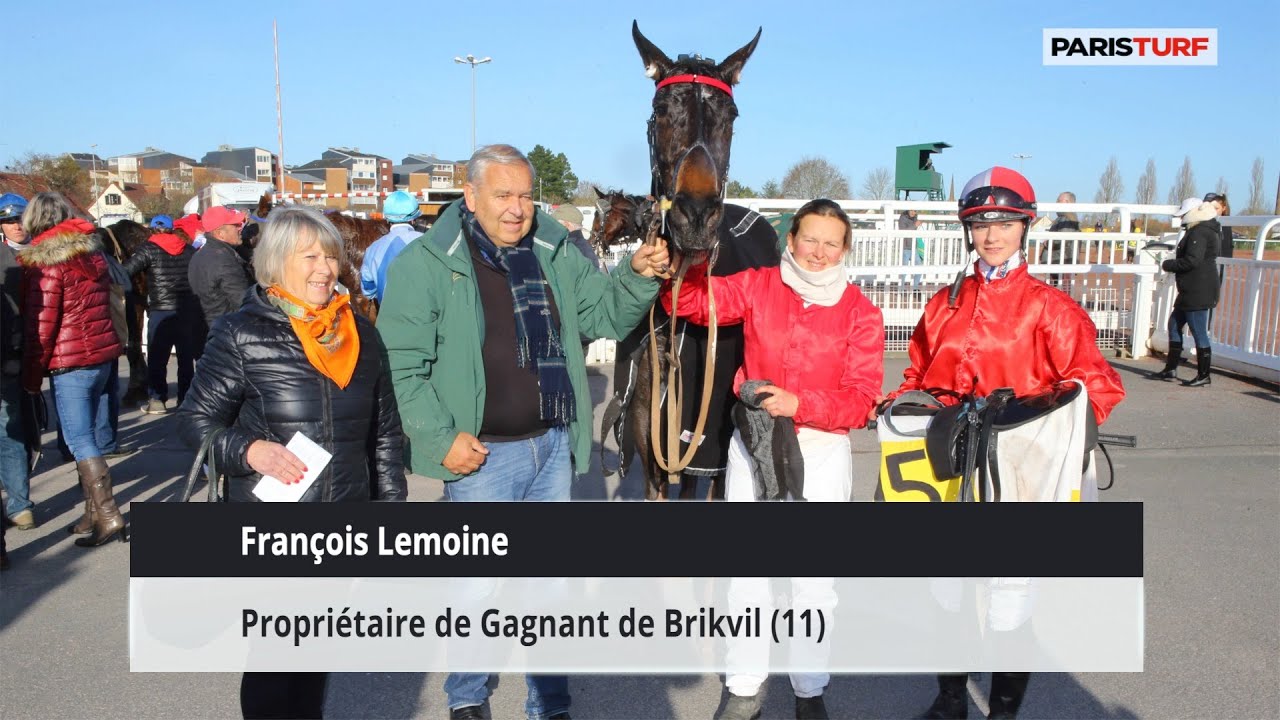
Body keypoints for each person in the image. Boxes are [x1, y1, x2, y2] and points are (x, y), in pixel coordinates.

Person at [377, 144, 669, 720]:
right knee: (478, 588)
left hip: (552, 448)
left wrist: (635, 276)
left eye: (526, 195)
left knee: (548, 589)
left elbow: (603, 317)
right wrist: (440, 440)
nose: (517, 209)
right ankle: (466, 697)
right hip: (482, 458)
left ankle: (549, 702)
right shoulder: (427, 264)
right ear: (471, 196)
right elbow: (400, 369)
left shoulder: (552, 250)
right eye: (503, 195)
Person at [881, 167, 1125, 720]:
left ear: (1024, 227)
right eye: (981, 224)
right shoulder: (944, 302)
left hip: (1019, 468)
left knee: (1010, 595)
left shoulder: (1050, 307)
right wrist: (902, 408)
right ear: (968, 229)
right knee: (947, 588)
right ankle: (950, 699)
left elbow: (1097, 385)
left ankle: (1004, 711)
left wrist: (1035, 420)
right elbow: (916, 375)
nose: (991, 235)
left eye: (1004, 223)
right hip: (946, 462)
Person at [177, 205, 407, 719]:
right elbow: (194, 422)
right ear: (278, 263)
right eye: (310, 256)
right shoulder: (241, 333)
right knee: (275, 663)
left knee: (315, 656)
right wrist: (248, 450)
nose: (325, 268)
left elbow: (385, 435)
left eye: (330, 255)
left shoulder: (361, 335)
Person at [663, 199, 884, 720]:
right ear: (791, 239)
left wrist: (801, 404)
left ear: (845, 249)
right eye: (810, 239)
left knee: (812, 581)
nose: (819, 252)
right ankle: (743, 686)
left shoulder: (861, 312)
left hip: (821, 450)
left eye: (832, 243)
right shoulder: (760, 283)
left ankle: (810, 689)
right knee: (748, 574)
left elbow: (861, 398)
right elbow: (694, 303)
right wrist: (689, 258)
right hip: (755, 444)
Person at [18, 192, 127, 547]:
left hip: (72, 362)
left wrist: (32, 379)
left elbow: (43, 324)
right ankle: (93, 512)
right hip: (101, 355)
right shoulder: (90, 253)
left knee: (80, 439)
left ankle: (108, 515)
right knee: (89, 436)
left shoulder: (46, 262)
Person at [124, 215, 202, 414]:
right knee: (185, 359)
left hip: (161, 310)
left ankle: (157, 399)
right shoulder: (188, 249)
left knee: (158, 359)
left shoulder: (148, 249)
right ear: (171, 229)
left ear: (152, 230)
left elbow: (126, 272)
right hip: (187, 310)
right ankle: (185, 399)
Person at [1153, 197, 1219, 387]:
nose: (1181, 219)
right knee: (1174, 324)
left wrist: (1169, 264)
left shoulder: (1200, 231)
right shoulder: (1201, 230)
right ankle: (1171, 368)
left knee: (1199, 331)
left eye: (1183, 215)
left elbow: (1192, 260)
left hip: (1198, 289)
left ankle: (1204, 374)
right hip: (1192, 288)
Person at [1, 192, 34, 531]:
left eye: (19, 218)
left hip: (23, 350)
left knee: (15, 430)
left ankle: (20, 503)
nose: (16, 225)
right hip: (10, 350)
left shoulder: (45, 252)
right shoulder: (3, 256)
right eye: (9, 220)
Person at [188, 206, 252, 327]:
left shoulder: (200, 254)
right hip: (227, 330)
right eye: (235, 225)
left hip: (209, 329)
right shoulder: (224, 260)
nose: (240, 228)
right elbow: (244, 302)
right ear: (220, 233)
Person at [359, 190, 423, 305]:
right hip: (425, 317)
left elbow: (368, 290)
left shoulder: (373, 249)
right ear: (414, 219)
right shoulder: (428, 243)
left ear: (387, 219)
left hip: (387, 318)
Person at [1040, 191, 1079, 289]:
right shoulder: (1062, 218)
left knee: (1061, 286)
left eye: (1059, 200)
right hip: (1058, 258)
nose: (1056, 202)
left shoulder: (1068, 218)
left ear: (1067, 202)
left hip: (1063, 259)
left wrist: (1048, 243)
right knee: (1052, 286)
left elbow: (1062, 238)